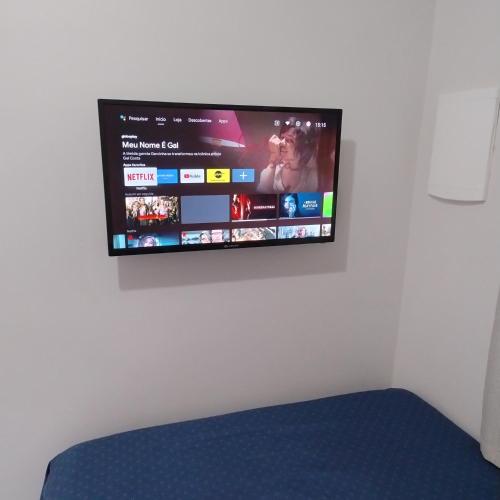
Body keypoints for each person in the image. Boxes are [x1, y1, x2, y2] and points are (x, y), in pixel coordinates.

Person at [257, 118, 318, 193]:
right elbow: (261, 193)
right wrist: (273, 158)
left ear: (304, 148)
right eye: (282, 138)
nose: (281, 143)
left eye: (289, 140)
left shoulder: (312, 176)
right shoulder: (274, 169)